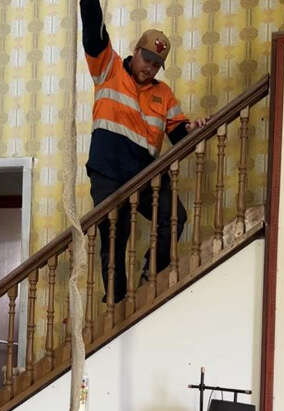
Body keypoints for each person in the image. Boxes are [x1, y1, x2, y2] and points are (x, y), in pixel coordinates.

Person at [80, 0, 213, 303]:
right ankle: (116, 303)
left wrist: (194, 129)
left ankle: (149, 277)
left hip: (144, 174)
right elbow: (93, 29)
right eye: (147, 59)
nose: (149, 68)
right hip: (108, 172)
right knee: (114, 236)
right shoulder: (108, 68)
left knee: (175, 217)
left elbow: (179, 135)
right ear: (136, 51)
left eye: (156, 64)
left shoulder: (163, 94)